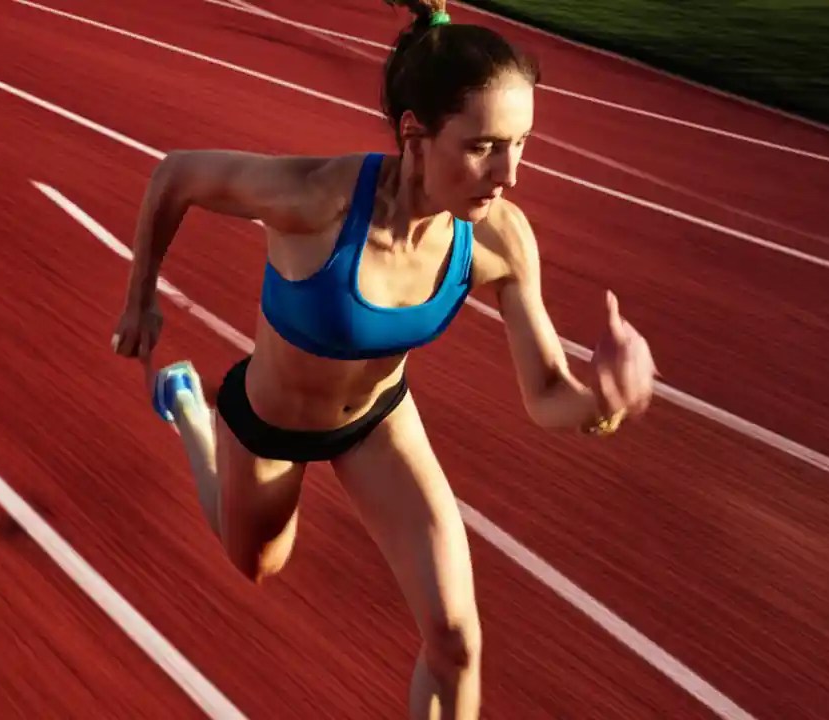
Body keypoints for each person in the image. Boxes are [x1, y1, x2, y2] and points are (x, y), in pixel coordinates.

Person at [110, 1, 658, 717]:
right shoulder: (316, 200)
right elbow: (176, 175)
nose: (510, 173)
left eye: (523, 144)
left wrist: (601, 402)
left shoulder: (500, 241)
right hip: (269, 422)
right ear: (415, 134)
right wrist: (139, 298)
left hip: (377, 423)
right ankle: (191, 413)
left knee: (457, 639)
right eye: (485, 145)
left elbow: (548, 391)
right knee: (257, 564)